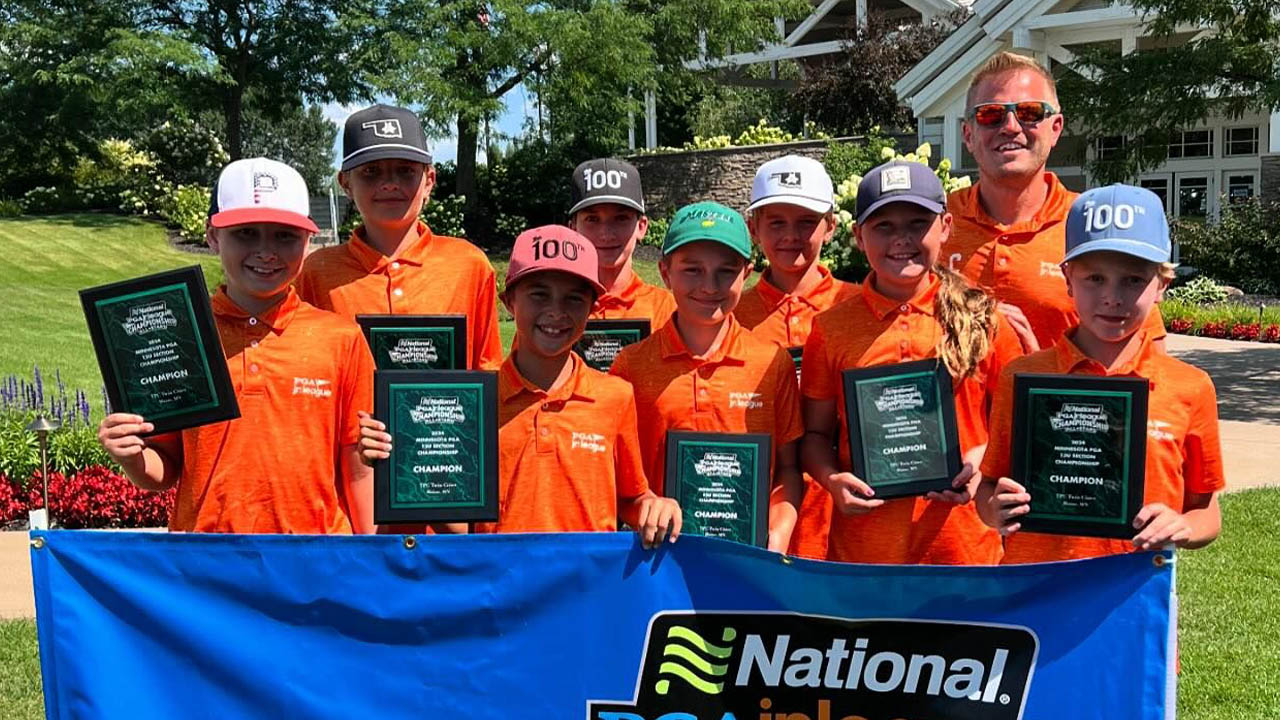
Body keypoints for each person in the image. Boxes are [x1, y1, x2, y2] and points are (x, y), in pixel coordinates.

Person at [97, 158, 376, 534]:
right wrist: (132, 455)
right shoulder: (182, 335)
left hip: (314, 563)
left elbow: (357, 467)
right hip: (209, 563)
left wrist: (370, 560)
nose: (266, 251)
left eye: (285, 235)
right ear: (213, 236)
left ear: (309, 241)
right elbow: (165, 469)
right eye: (245, 233)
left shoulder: (340, 339)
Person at [359, 225, 681, 547]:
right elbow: (464, 523)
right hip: (500, 587)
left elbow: (631, 497)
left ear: (593, 308)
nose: (556, 311)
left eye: (574, 298)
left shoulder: (615, 397)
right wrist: (400, 457)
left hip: (586, 589)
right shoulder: (475, 402)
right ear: (509, 301)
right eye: (539, 294)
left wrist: (653, 506)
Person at [977, 185, 1223, 562]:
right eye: (1095, 278)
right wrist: (995, 509)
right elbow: (988, 486)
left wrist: (1184, 525)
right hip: (1035, 589)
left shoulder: (1190, 387)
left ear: (1162, 284)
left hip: (1134, 590)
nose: (1112, 297)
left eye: (1133, 280)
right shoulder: (1023, 378)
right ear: (1067, 279)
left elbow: (1207, 511)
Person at [800, 161, 1022, 565]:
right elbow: (814, 436)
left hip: (962, 550)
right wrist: (833, 481)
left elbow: (1013, 425)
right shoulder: (831, 329)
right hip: (865, 555)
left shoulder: (983, 317)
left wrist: (979, 461)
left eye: (917, 223)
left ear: (946, 226)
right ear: (858, 236)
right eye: (883, 226)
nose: (901, 239)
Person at [610, 202, 805, 552]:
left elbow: (788, 468)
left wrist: (780, 528)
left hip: (749, 556)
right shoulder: (630, 366)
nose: (709, 285)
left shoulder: (773, 363)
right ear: (665, 272)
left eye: (725, 271)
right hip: (660, 558)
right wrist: (644, 509)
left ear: (747, 273)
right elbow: (620, 482)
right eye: (692, 270)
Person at [949, 51, 1165, 351]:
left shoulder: (1097, 225)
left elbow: (1148, 362)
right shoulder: (931, 226)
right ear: (968, 134)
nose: (1010, 126)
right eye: (990, 114)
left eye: (1030, 112)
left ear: (1055, 128)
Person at [296, 103, 502, 370]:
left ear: (429, 180)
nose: (390, 182)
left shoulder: (468, 265)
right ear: (346, 183)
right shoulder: (316, 272)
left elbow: (488, 370)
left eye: (406, 170)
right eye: (371, 171)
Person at [737, 154, 857, 559]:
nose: (791, 235)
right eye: (776, 222)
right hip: (758, 519)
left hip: (850, 519)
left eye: (806, 221)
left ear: (831, 225)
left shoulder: (858, 307)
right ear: (753, 228)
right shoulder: (728, 315)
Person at [567, 158, 676, 327]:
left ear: (641, 226)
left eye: (621, 218)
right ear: (573, 229)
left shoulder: (667, 311)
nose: (606, 234)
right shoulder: (558, 311)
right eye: (592, 219)